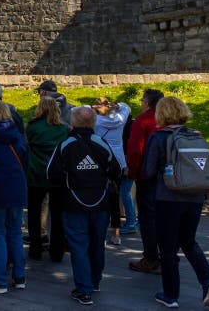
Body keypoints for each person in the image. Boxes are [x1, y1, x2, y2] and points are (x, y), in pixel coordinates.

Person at [144, 97, 209, 308]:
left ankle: (171, 295)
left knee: (167, 248)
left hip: (168, 198)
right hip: (195, 196)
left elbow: (148, 170)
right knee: (189, 242)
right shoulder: (195, 135)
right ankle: (208, 281)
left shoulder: (159, 137)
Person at [46, 105, 121, 306]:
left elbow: (51, 173)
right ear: (93, 122)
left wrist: (66, 182)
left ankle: (83, 288)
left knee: (79, 245)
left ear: (73, 122)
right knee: (97, 244)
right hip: (100, 201)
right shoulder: (101, 143)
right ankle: (94, 282)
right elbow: (116, 169)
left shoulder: (65, 144)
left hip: (73, 201)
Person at [0, 100, 28, 293]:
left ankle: (0, 280)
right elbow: (26, 161)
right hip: (17, 188)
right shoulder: (17, 136)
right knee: (15, 233)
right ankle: (19, 277)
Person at [25, 96, 68, 262]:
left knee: (34, 213)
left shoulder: (33, 126)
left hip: (36, 173)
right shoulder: (62, 129)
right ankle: (57, 250)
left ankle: (35, 247)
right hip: (56, 174)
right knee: (57, 214)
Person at [126, 88, 164, 274]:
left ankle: (151, 257)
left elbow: (135, 150)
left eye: (142, 100)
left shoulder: (143, 120)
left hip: (147, 176)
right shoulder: (169, 119)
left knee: (148, 219)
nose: (141, 103)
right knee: (166, 218)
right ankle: (167, 255)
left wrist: (133, 172)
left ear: (147, 103)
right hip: (170, 178)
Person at [92, 97, 132, 246]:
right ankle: (116, 232)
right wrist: (116, 105)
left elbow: (75, 110)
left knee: (99, 198)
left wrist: (91, 106)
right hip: (118, 162)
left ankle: (99, 233)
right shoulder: (120, 118)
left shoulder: (96, 120)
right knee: (115, 198)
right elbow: (126, 106)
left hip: (100, 160)